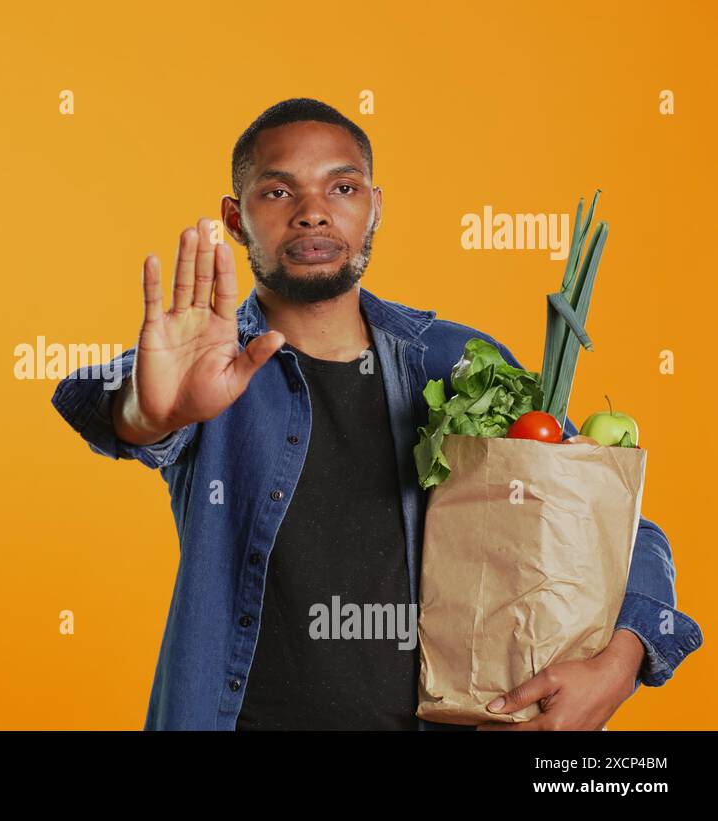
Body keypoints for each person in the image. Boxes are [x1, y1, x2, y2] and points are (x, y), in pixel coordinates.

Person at [50, 98, 702, 731]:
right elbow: (117, 405)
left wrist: (621, 662)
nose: (312, 214)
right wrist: (146, 410)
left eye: (342, 188)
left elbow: (611, 523)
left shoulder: (459, 365)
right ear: (234, 217)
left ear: (374, 206)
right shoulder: (206, 366)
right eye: (278, 192)